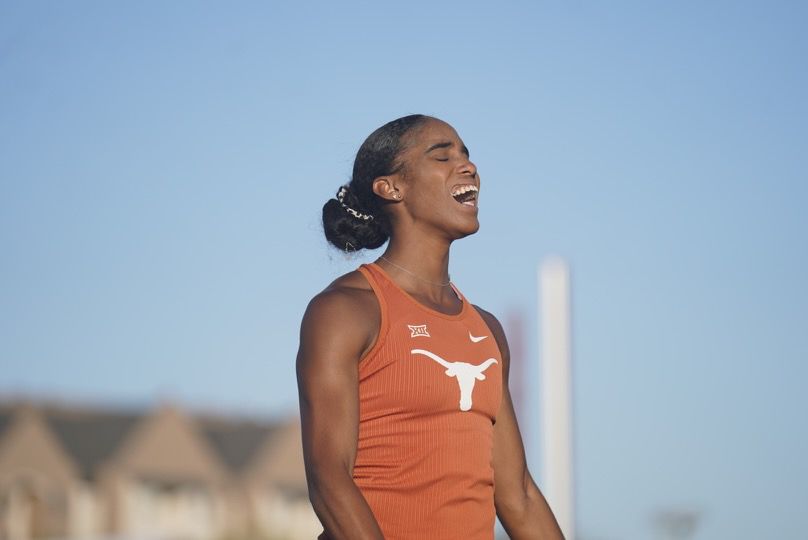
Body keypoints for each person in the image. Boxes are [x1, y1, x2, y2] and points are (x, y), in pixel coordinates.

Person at [296, 114, 564, 540]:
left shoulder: (488, 332)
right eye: (442, 155)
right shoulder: (345, 311)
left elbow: (519, 496)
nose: (467, 166)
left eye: (467, 155)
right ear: (391, 187)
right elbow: (329, 478)